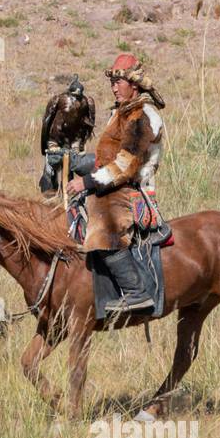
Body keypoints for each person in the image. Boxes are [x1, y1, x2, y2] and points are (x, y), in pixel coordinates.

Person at [66, 54, 166, 313]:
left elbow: (125, 165)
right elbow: (107, 159)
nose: (114, 86)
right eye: (113, 81)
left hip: (132, 189)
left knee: (102, 227)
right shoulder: (121, 112)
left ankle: (136, 291)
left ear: (134, 85)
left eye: (119, 81)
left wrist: (86, 181)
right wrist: (77, 162)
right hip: (115, 183)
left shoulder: (142, 115)